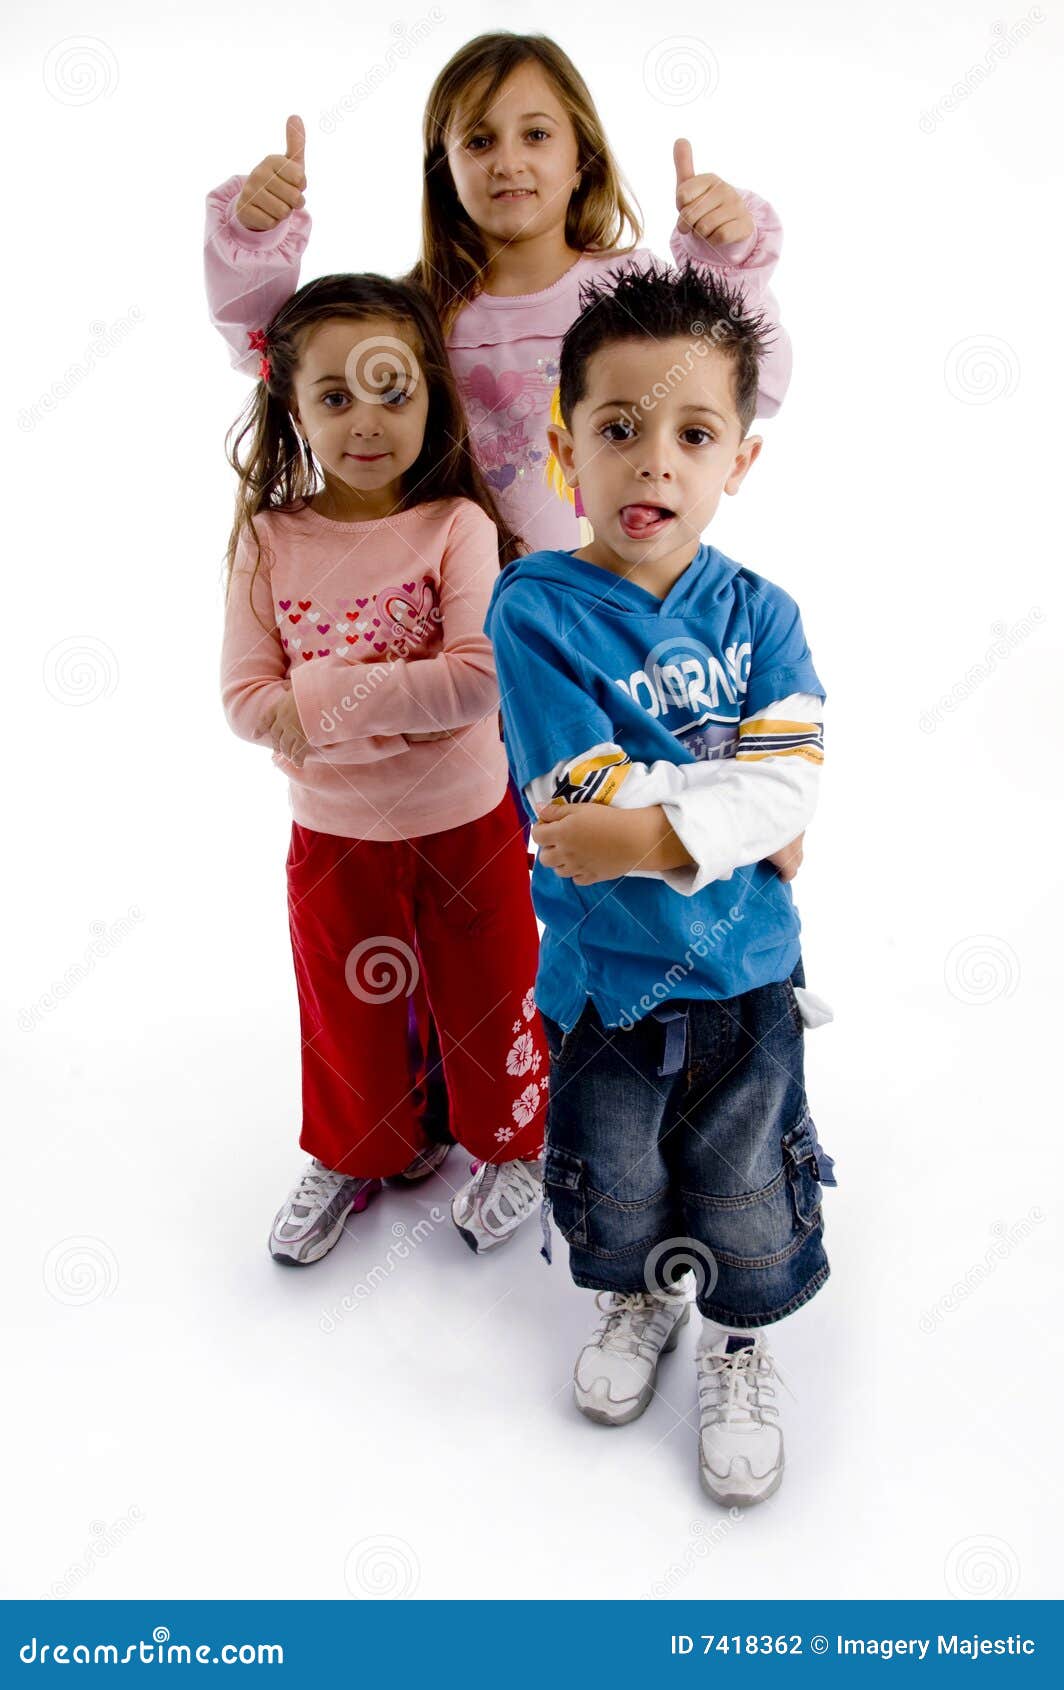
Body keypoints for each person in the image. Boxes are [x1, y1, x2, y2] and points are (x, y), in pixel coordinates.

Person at [205, 30, 803, 1246]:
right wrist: (254, 241)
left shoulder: (617, 291)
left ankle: (650, 1112)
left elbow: (746, 377)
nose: (509, 159)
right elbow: (292, 355)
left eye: (535, 131)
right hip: (474, 647)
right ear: (441, 162)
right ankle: (457, 1122)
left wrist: (728, 250)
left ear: (583, 147)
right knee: (490, 891)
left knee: (628, 862)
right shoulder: (427, 311)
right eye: (477, 137)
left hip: (617, 631)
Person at [485, 258, 837, 1506]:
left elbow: (786, 791)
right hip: (600, 984)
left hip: (745, 971)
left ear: (737, 456)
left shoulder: (763, 615)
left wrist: (656, 828)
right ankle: (642, 1295)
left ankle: (740, 1331)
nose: (653, 464)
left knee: (744, 1172)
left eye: (692, 434)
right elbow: (569, 802)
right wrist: (730, 815)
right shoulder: (535, 608)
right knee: (614, 1169)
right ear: (563, 443)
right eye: (619, 429)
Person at [220, 272, 549, 1262]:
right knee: (347, 1008)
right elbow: (243, 700)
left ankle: (513, 1143)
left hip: (465, 822)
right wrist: (386, 705)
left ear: (431, 396)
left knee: (489, 992)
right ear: (291, 406)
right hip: (334, 837)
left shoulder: (458, 527)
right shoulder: (268, 540)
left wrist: (318, 703)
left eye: (392, 390)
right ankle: (358, 1150)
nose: (366, 421)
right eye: (334, 396)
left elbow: (475, 681)